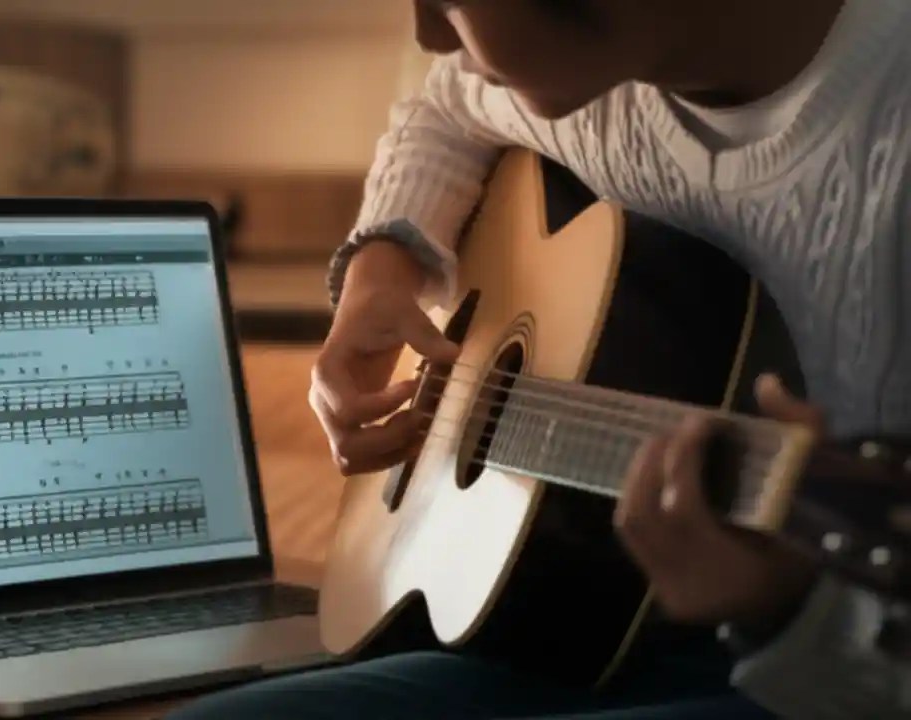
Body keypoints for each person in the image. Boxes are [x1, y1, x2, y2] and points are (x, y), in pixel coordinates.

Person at [168, 0, 911, 718]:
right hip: (589, 616)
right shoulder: (603, 79)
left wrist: (781, 609)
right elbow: (442, 107)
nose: (427, 32)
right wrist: (381, 269)